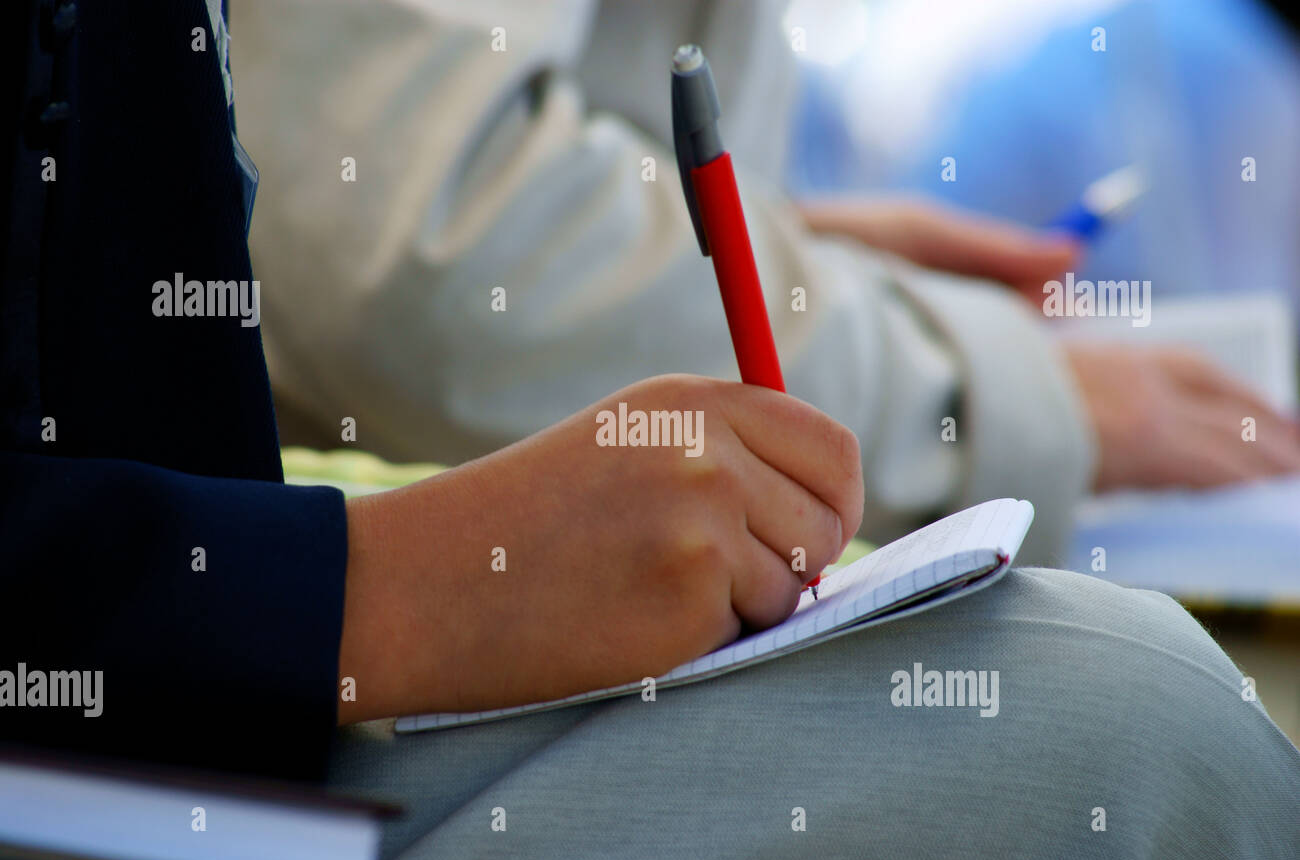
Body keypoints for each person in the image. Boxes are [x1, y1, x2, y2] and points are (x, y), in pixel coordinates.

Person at [3, 0, 1297, 860]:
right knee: (1130, 724)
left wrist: (816, 258)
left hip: (182, 701)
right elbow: (394, 248)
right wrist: (375, 594)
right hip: (123, 765)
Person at [231, 0, 1300, 568]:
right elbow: (416, 246)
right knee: (1156, 728)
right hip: (299, 613)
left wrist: (808, 259)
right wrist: (965, 386)